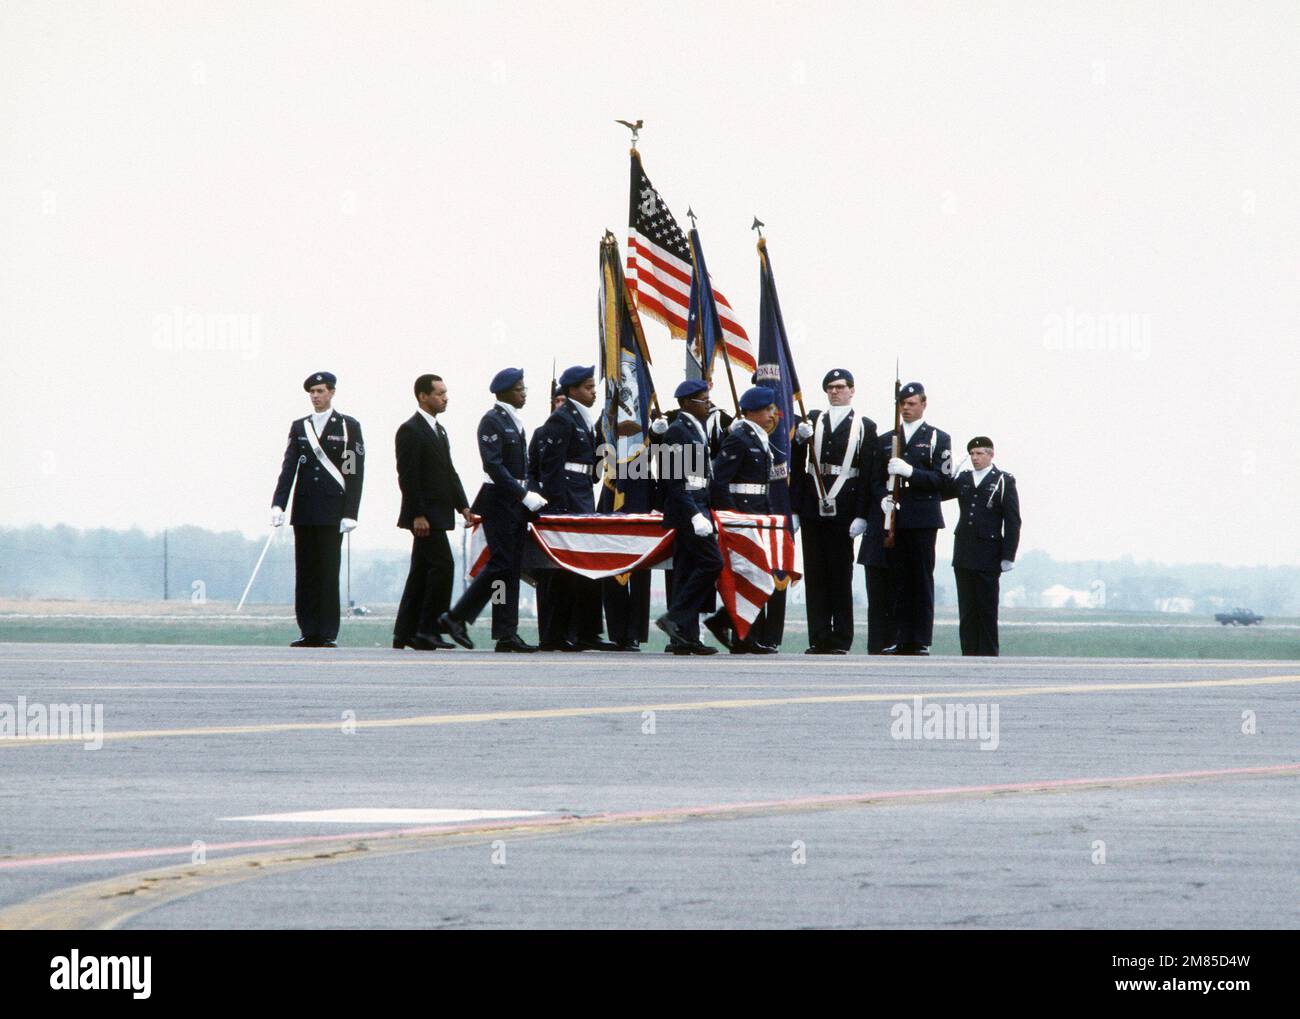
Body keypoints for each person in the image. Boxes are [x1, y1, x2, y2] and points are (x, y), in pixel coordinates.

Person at [438, 368, 547, 652]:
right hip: (499, 501)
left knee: (509, 569)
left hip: (514, 502)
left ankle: (506, 633)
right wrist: (524, 495)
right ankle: (456, 616)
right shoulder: (492, 421)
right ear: (506, 392)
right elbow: (493, 466)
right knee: (500, 563)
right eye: (520, 389)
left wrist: (529, 494)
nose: (524, 393)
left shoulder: (514, 421)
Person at [271, 371, 365, 648]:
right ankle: (308, 630)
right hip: (305, 508)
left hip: (333, 510)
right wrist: (278, 502)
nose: (316, 396)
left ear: (332, 392)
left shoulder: (348, 427)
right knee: (306, 572)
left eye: (321, 391)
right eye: (312, 392)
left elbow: (353, 472)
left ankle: (326, 631)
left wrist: (351, 511)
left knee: (327, 570)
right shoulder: (300, 427)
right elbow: (289, 467)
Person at [792, 368, 878, 654]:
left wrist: (862, 514)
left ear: (852, 390)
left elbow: (867, 474)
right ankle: (818, 637)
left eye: (841, 387)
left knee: (840, 576)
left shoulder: (865, 426)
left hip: (846, 506)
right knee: (815, 575)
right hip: (813, 506)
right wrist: (797, 440)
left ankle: (840, 638)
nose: (835, 391)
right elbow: (798, 467)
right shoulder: (812, 420)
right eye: (830, 387)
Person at [535, 365, 617, 651]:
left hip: (582, 494)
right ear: (572, 391)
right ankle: (556, 634)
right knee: (565, 570)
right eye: (588, 388)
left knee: (586, 567)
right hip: (568, 500)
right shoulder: (562, 419)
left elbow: (592, 470)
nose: (594, 392)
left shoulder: (582, 419)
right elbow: (551, 469)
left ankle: (587, 632)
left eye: (593, 387)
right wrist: (558, 508)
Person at [393, 374, 472, 650]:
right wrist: (417, 514)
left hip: (439, 514)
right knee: (443, 566)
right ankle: (428, 629)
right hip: (425, 517)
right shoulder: (410, 430)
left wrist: (463, 506)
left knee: (421, 573)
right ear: (423, 396)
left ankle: (405, 632)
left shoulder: (439, 430)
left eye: (445, 392)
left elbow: (449, 473)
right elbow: (408, 477)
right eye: (439, 393)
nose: (445, 397)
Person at [874, 381, 952, 655]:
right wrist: (882, 497)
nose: (906, 408)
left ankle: (919, 639)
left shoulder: (937, 439)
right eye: (902, 404)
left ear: (923, 404)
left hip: (922, 517)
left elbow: (943, 480)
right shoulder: (887, 439)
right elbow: (875, 480)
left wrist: (911, 473)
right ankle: (899, 636)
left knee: (920, 578)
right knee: (897, 579)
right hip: (894, 517)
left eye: (911, 404)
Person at [704, 386, 780, 653]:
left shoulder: (757, 437)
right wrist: (731, 516)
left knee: (755, 574)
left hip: (756, 512)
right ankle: (737, 632)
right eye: (768, 410)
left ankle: (742, 634)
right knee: (749, 575)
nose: (773, 415)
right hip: (741, 515)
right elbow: (719, 482)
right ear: (753, 412)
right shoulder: (740, 438)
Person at [653, 379, 722, 655]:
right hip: (688, 510)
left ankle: (685, 637)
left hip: (698, 505)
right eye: (703, 400)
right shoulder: (676, 433)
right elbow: (674, 481)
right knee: (711, 563)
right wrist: (694, 514)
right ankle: (674, 618)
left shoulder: (695, 430)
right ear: (685, 404)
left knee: (687, 570)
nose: (709, 404)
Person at [941, 437, 1021, 656]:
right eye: (972, 454)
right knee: (967, 609)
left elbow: (1012, 520)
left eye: (979, 453)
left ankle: (988, 654)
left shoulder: (1003, 480)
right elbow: (941, 492)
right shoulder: (964, 478)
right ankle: (968, 653)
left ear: (990, 454)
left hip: (988, 552)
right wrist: (950, 470)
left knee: (986, 608)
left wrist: (1008, 555)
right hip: (964, 550)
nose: (975, 458)